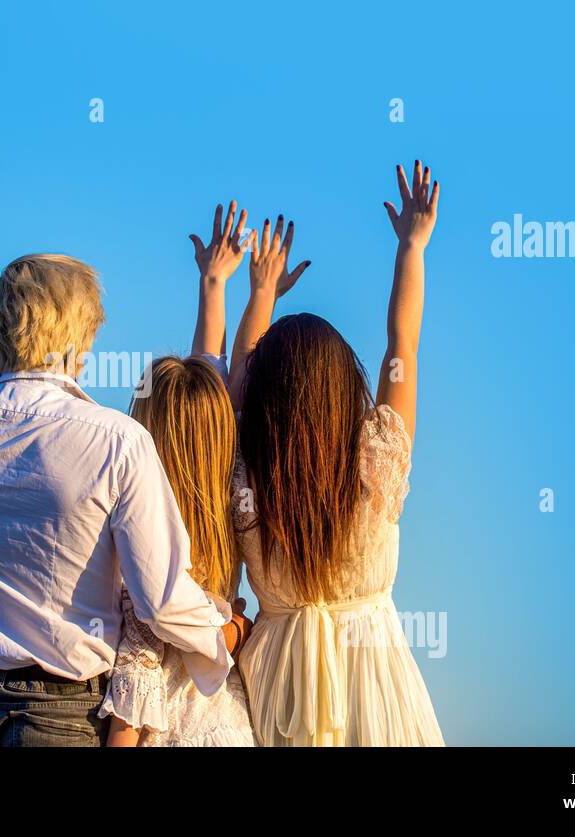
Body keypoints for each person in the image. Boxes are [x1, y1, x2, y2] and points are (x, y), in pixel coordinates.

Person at [0, 142, 245, 746]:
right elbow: (164, 601)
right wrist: (226, 635)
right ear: (82, 336)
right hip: (63, 716)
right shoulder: (119, 443)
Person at [230, 162, 444, 746]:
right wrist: (412, 246)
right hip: (375, 683)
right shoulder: (377, 465)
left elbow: (241, 371)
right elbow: (403, 343)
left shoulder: (246, 475)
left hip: (274, 689)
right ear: (345, 384)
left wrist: (261, 293)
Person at [101, 202, 259, 747]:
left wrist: (215, 283)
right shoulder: (229, 498)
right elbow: (216, 394)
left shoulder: (146, 553)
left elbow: (133, 686)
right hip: (227, 725)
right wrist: (232, 288)